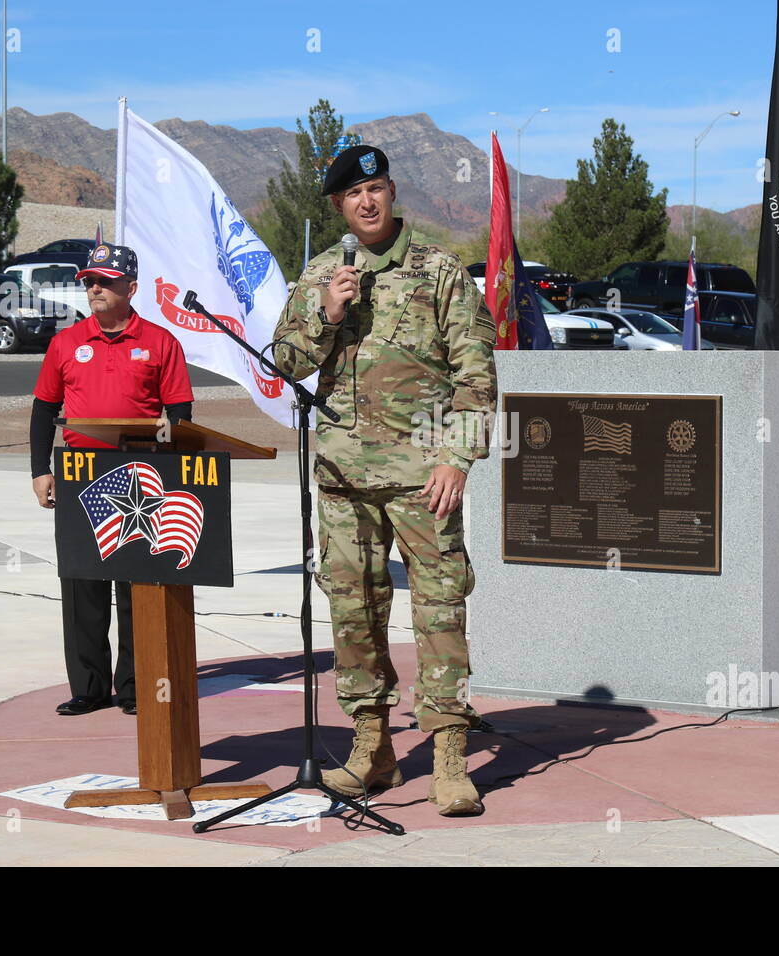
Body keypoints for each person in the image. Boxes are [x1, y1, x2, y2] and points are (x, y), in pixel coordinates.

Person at [270, 145, 498, 816]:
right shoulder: (321, 274)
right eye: (352, 194)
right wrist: (327, 313)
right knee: (354, 612)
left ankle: (450, 752)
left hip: (423, 476)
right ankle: (372, 746)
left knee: (439, 608)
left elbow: (476, 375)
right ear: (339, 206)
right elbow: (284, 361)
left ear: (392, 192)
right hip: (342, 474)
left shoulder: (440, 271)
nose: (365, 202)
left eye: (375, 188)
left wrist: (457, 459)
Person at [29, 242, 194, 716]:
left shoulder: (161, 342)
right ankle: (89, 686)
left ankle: (136, 686)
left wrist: (171, 468)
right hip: (79, 473)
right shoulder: (66, 342)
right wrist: (42, 469)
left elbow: (179, 414)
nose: (94, 289)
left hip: (139, 475)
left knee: (135, 586)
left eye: (104, 281)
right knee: (83, 583)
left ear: (131, 288)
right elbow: (44, 409)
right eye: (89, 282)